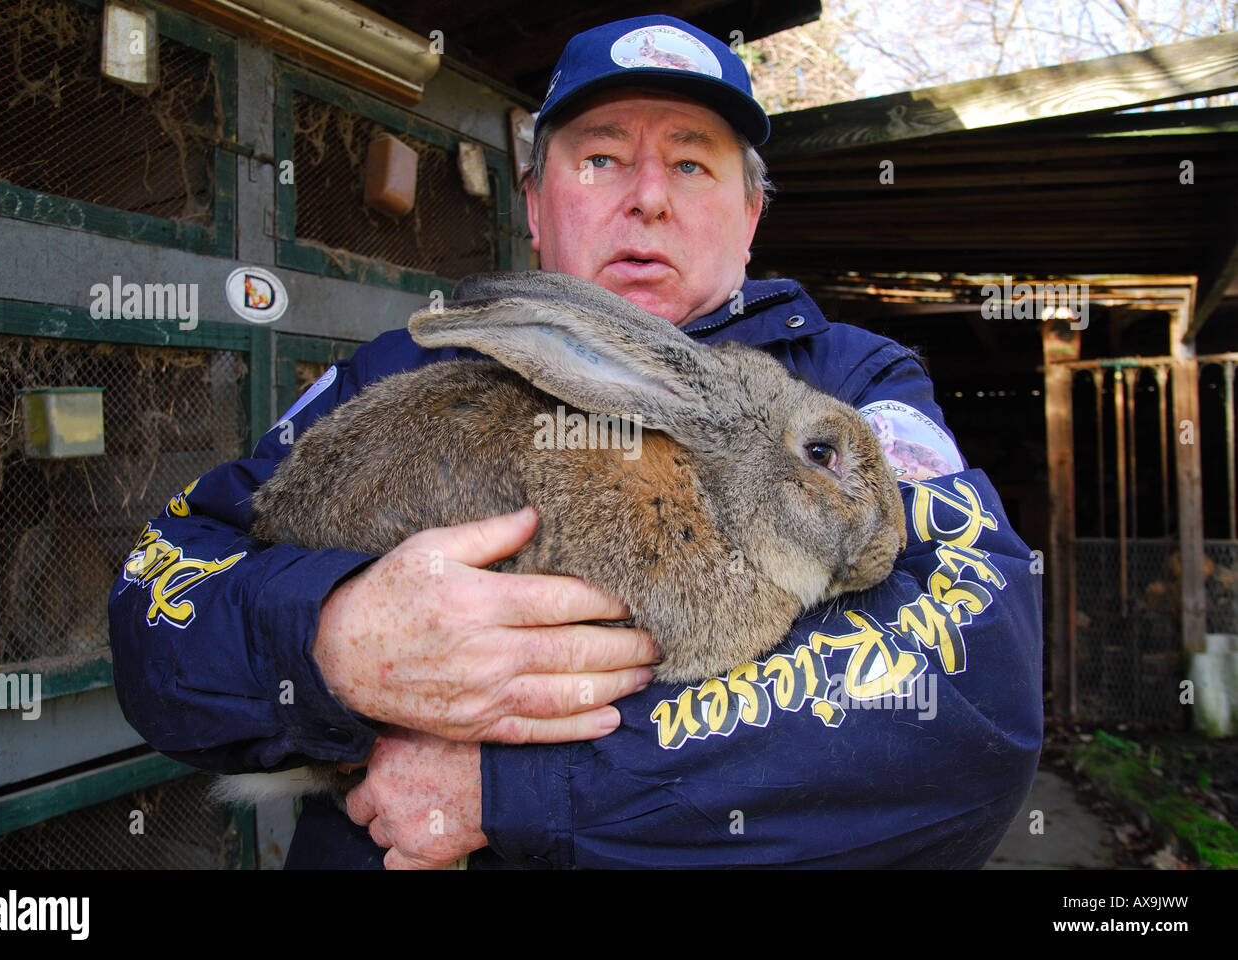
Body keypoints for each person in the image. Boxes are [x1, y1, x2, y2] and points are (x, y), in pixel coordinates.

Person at [108, 14, 1043, 869]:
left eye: (692, 164)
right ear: (534, 200)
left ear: (751, 214)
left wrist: (512, 789)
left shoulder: (852, 388)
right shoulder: (412, 369)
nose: (647, 198)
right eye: (600, 158)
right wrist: (331, 636)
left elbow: (975, 687)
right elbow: (159, 599)